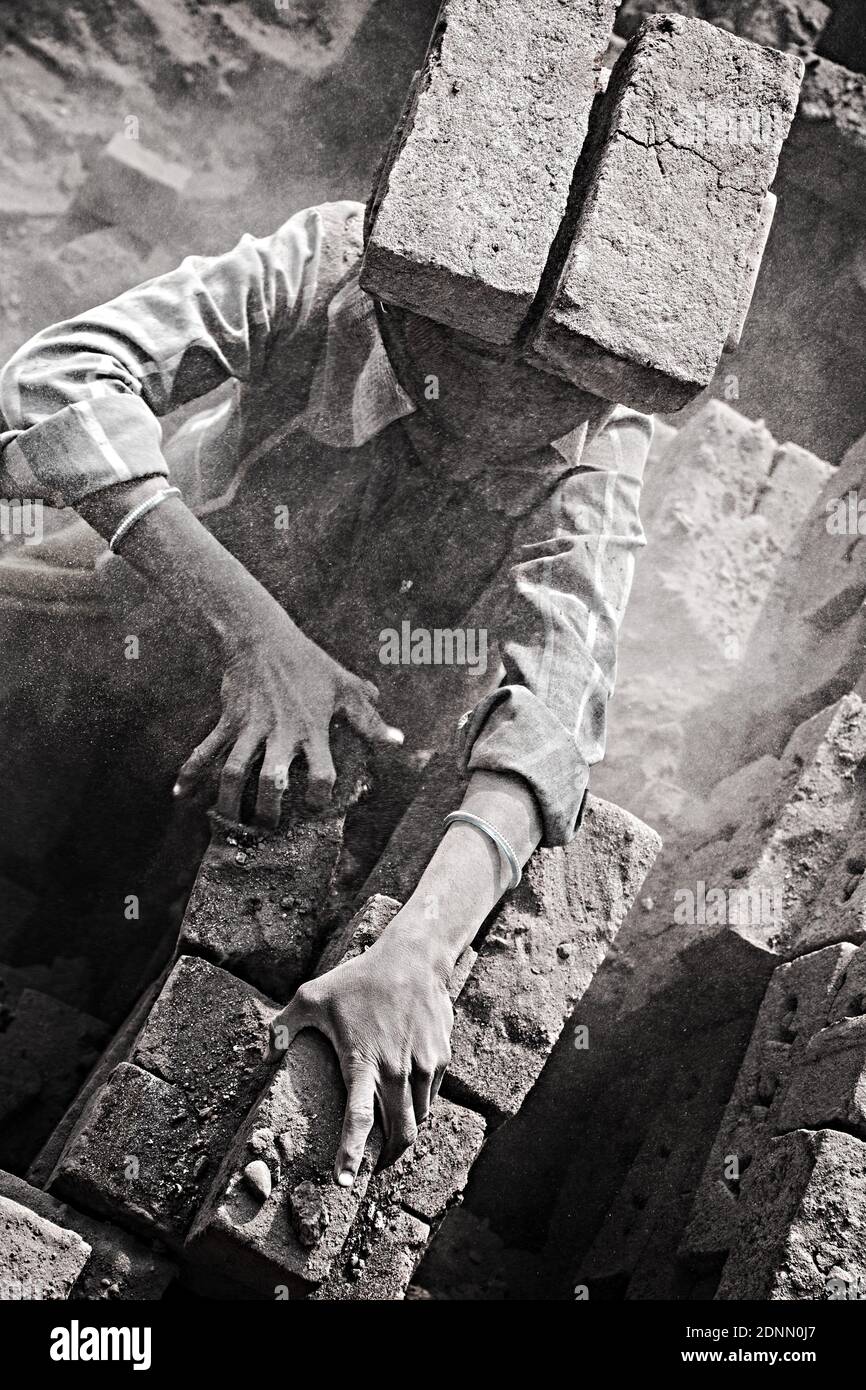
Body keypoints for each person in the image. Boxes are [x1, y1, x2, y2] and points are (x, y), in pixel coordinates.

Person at [0, 197, 651, 1185]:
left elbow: (553, 713)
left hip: (344, 730)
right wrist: (257, 634)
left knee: (247, 902)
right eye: (467, 407)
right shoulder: (333, 259)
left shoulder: (600, 427)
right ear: (406, 317)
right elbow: (56, 382)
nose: (492, 450)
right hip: (152, 595)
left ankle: (106, 966)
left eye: (542, 425)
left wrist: (417, 952)